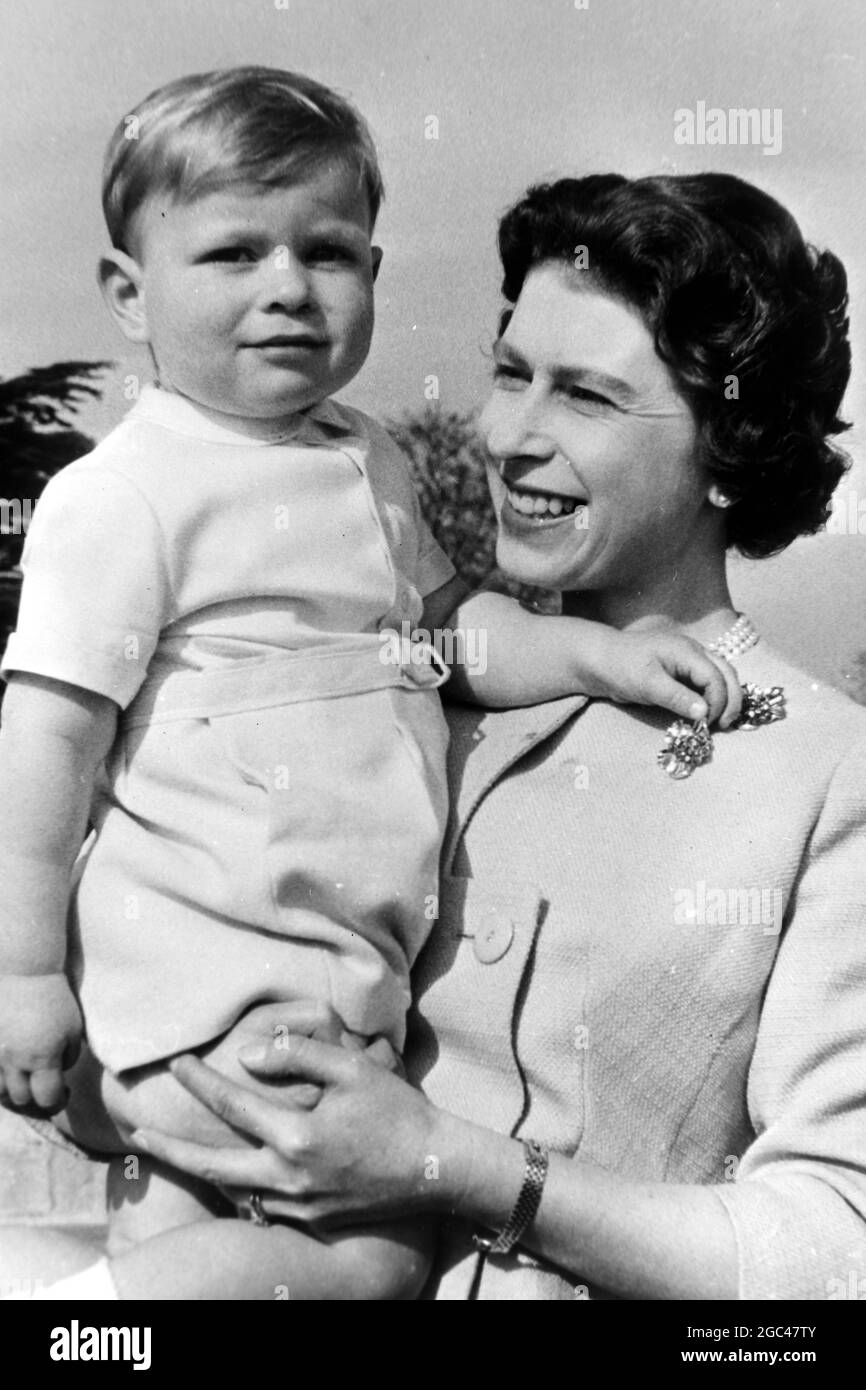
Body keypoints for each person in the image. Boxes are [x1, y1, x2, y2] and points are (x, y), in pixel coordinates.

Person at [0, 74, 738, 1303]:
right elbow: (46, 740)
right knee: (373, 1261)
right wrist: (21, 973)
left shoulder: (370, 459)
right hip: (207, 984)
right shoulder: (123, 494)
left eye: (328, 251)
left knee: (186, 1242)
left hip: (326, 982)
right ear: (129, 294)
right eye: (233, 252)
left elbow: (451, 632)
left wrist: (597, 656)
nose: (288, 285)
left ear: (374, 272)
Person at [112, 173, 866, 1301]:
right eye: (511, 373)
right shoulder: (389, 686)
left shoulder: (825, 772)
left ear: (730, 443)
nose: (507, 435)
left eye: (588, 397)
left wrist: (460, 1167)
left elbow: (835, 1253)